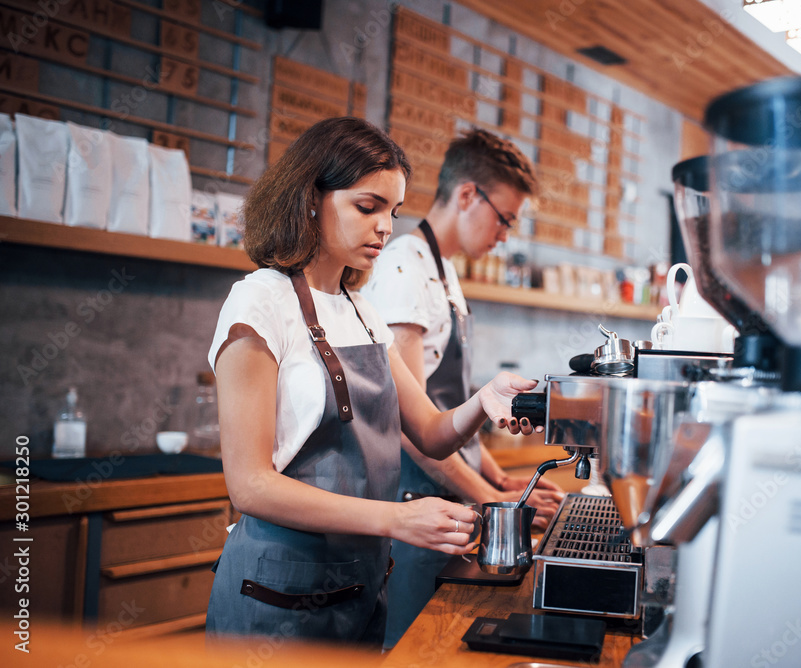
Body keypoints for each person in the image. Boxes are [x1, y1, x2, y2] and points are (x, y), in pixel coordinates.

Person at [204, 117, 537, 647]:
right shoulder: (259, 301)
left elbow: (429, 430)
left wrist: (483, 400)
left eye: (394, 212)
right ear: (311, 198)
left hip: (358, 590)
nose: (385, 227)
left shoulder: (361, 311)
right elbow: (249, 484)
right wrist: (395, 520)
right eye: (368, 207)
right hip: (276, 595)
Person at [364, 128, 564, 648]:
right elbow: (412, 424)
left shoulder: (445, 272)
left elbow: (453, 406)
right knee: (415, 648)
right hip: (422, 500)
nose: (506, 235)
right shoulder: (405, 265)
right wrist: (498, 500)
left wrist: (503, 484)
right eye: (506, 218)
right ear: (469, 195)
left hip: (454, 500)